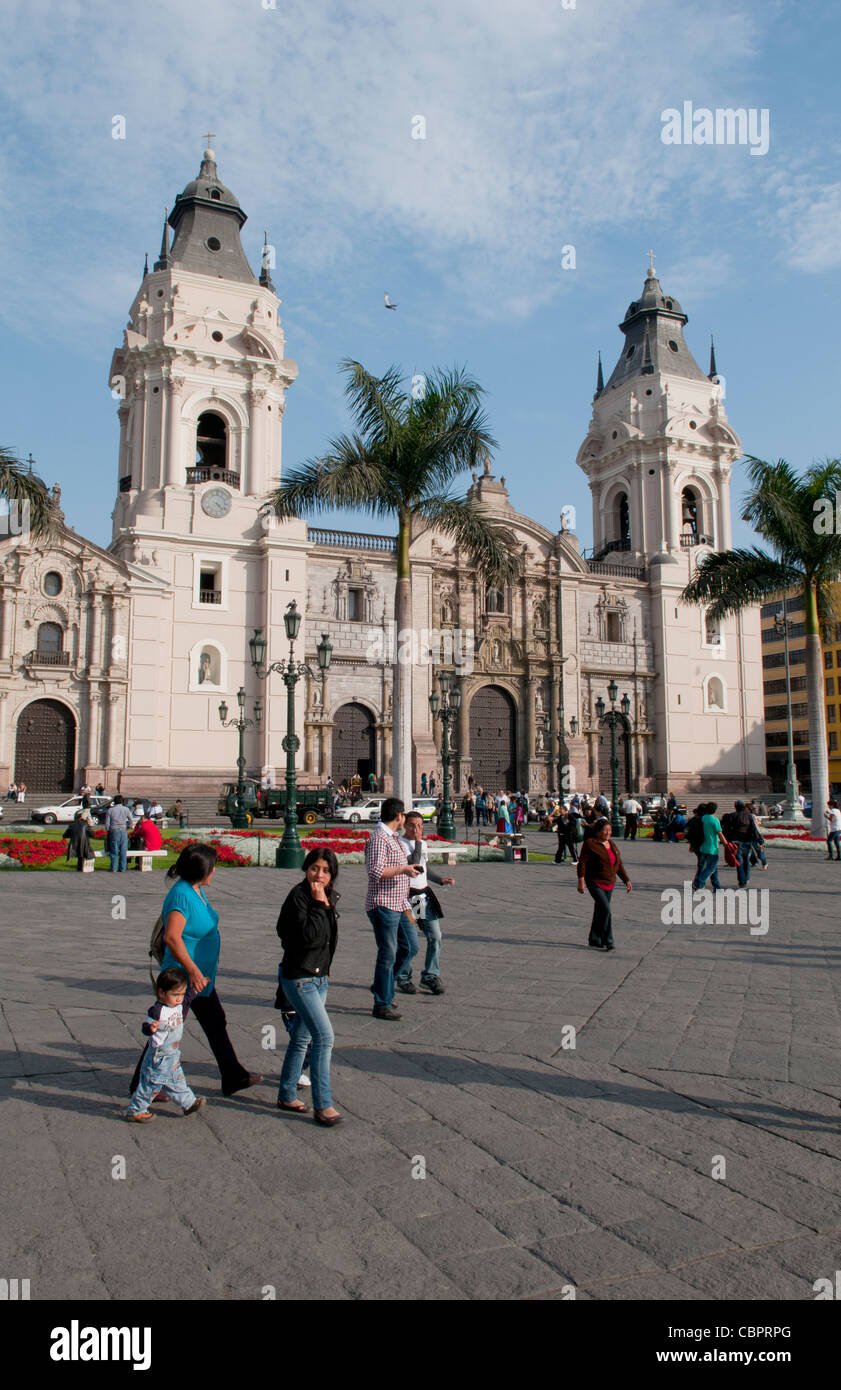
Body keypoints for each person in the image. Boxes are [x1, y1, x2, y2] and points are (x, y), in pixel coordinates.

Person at [130, 843, 262, 1099]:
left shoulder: (195, 889)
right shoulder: (181, 894)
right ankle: (142, 1085)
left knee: (215, 1022)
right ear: (201, 869)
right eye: (212, 866)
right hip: (184, 978)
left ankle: (233, 1075)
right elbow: (172, 937)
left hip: (199, 979)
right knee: (165, 1032)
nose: (215, 869)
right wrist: (193, 970)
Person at [275, 847, 342, 1126]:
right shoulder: (300, 897)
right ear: (306, 868)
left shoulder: (328, 896)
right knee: (324, 1038)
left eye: (326, 870)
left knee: (302, 1038)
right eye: (315, 868)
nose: (319, 875)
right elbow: (310, 938)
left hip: (319, 976)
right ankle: (323, 1104)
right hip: (300, 977)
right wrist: (317, 903)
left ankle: (287, 1093)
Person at [365, 798, 422, 1020]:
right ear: (399, 816)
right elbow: (375, 871)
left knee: (411, 947)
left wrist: (410, 863)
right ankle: (382, 1003)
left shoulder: (393, 838)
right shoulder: (379, 838)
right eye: (404, 817)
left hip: (402, 904)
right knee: (387, 953)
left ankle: (382, 984)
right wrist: (404, 870)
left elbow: (405, 863)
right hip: (384, 904)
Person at [125, 967, 206, 1123]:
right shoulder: (157, 1011)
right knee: (151, 1085)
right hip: (159, 1056)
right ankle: (136, 1110)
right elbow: (145, 1027)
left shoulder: (179, 1005)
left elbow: (188, 999)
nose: (179, 998)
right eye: (175, 995)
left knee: (177, 1079)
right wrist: (151, 1028)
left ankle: (188, 1103)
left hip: (173, 1053)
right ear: (161, 993)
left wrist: (195, 989)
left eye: (181, 994)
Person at [398, 810, 454, 995]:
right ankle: (403, 977)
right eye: (413, 825)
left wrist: (439, 880)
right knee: (409, 941)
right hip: (408, 897)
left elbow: (425, 868)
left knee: (435, 936)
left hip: (423, 896)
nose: (417, 829)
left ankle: (430, 975)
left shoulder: (422, 844)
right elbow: (414, 863)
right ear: (405, 825)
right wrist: (419, 842)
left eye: (420, 825)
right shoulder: (401, 844)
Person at [576, 818, 632, 951]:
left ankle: (595, 939)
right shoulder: (590, 843)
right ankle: (609, 940)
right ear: (598, 831)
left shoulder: (612, 844)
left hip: (609, 881)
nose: (608, 833)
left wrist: (626, 880)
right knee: (606, 910)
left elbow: (619, 864)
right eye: (605, 830)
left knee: (600, 911)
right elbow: (582, 862)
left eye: (610, 830)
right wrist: (581, 880)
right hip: (595, 881)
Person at [721, 800, 757, 887]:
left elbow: (726, 829)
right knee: (746, 860)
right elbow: (753, 829)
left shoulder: (732, 816)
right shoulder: (748, 816)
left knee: (739, 861)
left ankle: (742, 881)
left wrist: (726, 840)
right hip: (747, 841)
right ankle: (746, 878)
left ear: (735, 806)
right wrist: (759, 841)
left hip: (736, 841)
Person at [692, 803, 726, 892]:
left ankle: (717, 887)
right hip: (712, 848)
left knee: (713, 868)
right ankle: (698, 882)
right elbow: (720, 834)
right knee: (710, 868)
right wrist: (726, 844)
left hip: (703, 846)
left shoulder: (702, 818)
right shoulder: (714, 820)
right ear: (714, 810)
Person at [104, 795, 134, 872]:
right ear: (122, 801)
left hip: (114, 830)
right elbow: (131, 820)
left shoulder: (110, 810)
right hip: (123, 830)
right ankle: (122, 868)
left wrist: (108, 830)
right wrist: (128, 826)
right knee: (123, 850)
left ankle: (114, 867)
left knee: (114, 849)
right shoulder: (126, 809)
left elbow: (107, 823)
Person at [684, 804, 707, 872]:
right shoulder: (704, 820)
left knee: (702, 861)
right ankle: (699, 880)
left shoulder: (693, 820)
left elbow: (687, 830)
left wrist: (691, 842)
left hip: (695, 843)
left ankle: (700, 880)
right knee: (703, 863)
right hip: (703, 843)